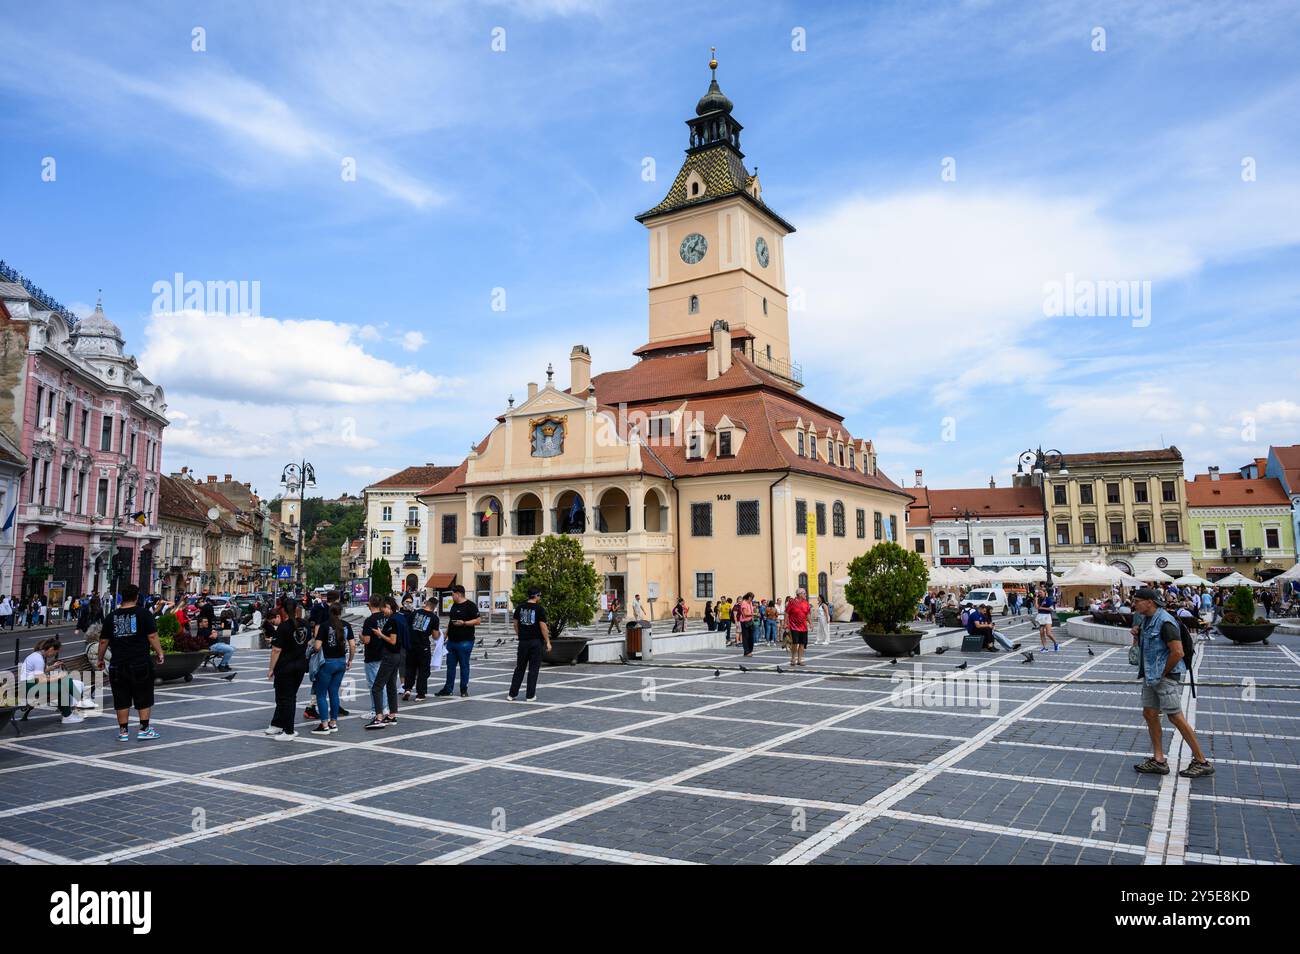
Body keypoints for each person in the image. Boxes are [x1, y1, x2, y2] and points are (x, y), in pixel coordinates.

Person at [1130, 588, 1213, 778]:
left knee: (1175, 717)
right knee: (1150, 713)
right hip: (1152, 676)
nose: (1134, 604)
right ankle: (1158, 760)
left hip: (1165, 677)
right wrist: (1137, 635)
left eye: (1137, 601)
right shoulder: (1147, 620)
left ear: (1149, 602)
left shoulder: (1165, 622)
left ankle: (1202, 761)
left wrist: (1162, 673)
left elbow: (1178, 652)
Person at [97, 583, 165, 741]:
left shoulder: (111, 616)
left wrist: (100, 659)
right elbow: (153, 636)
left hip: (118, 664)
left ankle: (123, 732)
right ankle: (144, 729)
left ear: (122, 597)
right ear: (136, 597)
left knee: (121, 698)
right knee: (144, 695)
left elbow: (103, 641)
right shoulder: (143, 614)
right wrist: (160, 653)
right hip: (140, 662)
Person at [21, 638, 95, 724]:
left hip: (32, 684)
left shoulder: (38, 655)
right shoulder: (38, 658)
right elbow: (41, 680)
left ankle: (76, 706)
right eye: (56, 652)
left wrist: (51, 668)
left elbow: (36, 674)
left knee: (65, 681)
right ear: (51, 649)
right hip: (29, 687)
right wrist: (59, 676)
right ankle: (71, 712)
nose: (55, 654)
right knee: (62, 686)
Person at [265, 598, 309, 740]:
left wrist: (271, 668)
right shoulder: (305, 624)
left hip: (285, 666)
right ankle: (277, 723)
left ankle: (288, 731)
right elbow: (307, 642)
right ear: (297, 608)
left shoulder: (284, 627)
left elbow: (276, 650)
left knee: (286, 698)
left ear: (283, 610)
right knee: (286, 697)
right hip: (300, 665)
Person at [310, 601, 354, 735]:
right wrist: (350, 660)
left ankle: (324, 725)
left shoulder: (324, 626)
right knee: (334, 692)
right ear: (341, 612)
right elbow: (352, 645)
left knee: (321, 694)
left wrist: (312, 650)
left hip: (327, 663)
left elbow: (317, 647)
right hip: (341, 662)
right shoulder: (346, 626)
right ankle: (333, 723)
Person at [364, 597, 403, 729]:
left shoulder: (393, 620)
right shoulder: (400, 617)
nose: (383, 611)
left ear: (388, 606)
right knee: (391, 686)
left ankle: (378, 717)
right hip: (397, 655)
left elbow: (392, 640)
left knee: (377, 687)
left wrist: (380, 635)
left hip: (390, 656)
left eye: (384, 609)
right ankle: (392, 715)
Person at [436, 585, 480, 698]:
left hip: (465, 641)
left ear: (459, 594)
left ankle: (463, 689)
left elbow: (478, 620)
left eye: (453, 594)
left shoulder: (470, 605)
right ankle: (448, 688)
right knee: (450, 666)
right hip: (452, 641)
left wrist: (464, 623)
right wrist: (445, 635)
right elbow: (451, 621)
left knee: (464, 666)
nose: (452, 596)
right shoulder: (454, 606)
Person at [509, 587, 551, 701]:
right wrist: (547, 641)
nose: (540, 597)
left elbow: (515, 624)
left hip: (523, 642)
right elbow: (543, 626)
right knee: (533, 669)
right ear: (536, 596)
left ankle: (512, 694)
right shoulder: (539, 609)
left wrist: (520, 635)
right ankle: (530, 695)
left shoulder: (519, 607)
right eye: (539, 595)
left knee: (519, 668)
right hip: (535, 642)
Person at [403, 596, 440, 701]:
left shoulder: (415, 613)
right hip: (423, 647)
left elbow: (407, 626)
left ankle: (408, 689)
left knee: (410, 668)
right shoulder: (434, 618)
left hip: (411, 646)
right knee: (423, 671)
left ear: (426, 603)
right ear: (435, 607)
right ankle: (420, 694)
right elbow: (435, 636)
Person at [359, 595, 388, 721]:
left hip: (372, 656)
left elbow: (366, 640)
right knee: (383, 683)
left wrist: (360, 636)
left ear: (370, 605)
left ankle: (375, 710)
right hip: (385, 654)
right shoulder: (386, 617)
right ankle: (385, 707)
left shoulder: (369, 620)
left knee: (373, 685)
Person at [785, 588, 811, 666]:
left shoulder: (806, 603)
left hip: (803, 627)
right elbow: (787, 613)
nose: (805, 595)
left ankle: (800, 659)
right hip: (794, 626)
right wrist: (785, 623)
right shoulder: (792, 602)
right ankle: (793, 658)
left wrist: (811, 623)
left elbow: (808, 614)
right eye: (804, 593)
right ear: (799, 594)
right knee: (795, 643)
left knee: (802, 643)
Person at [734, 592, 755, 656]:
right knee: (746, 637)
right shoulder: (744, 603)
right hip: (744, 622)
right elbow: (745, 614)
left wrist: (753, 615)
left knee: (751, 637)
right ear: (749, 597)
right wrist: (754, 614)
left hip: (750, 621)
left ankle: (750, 651)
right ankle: (747, 652)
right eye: (751, 598)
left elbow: (751, 611)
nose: (752, 600)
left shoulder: (750, 603)